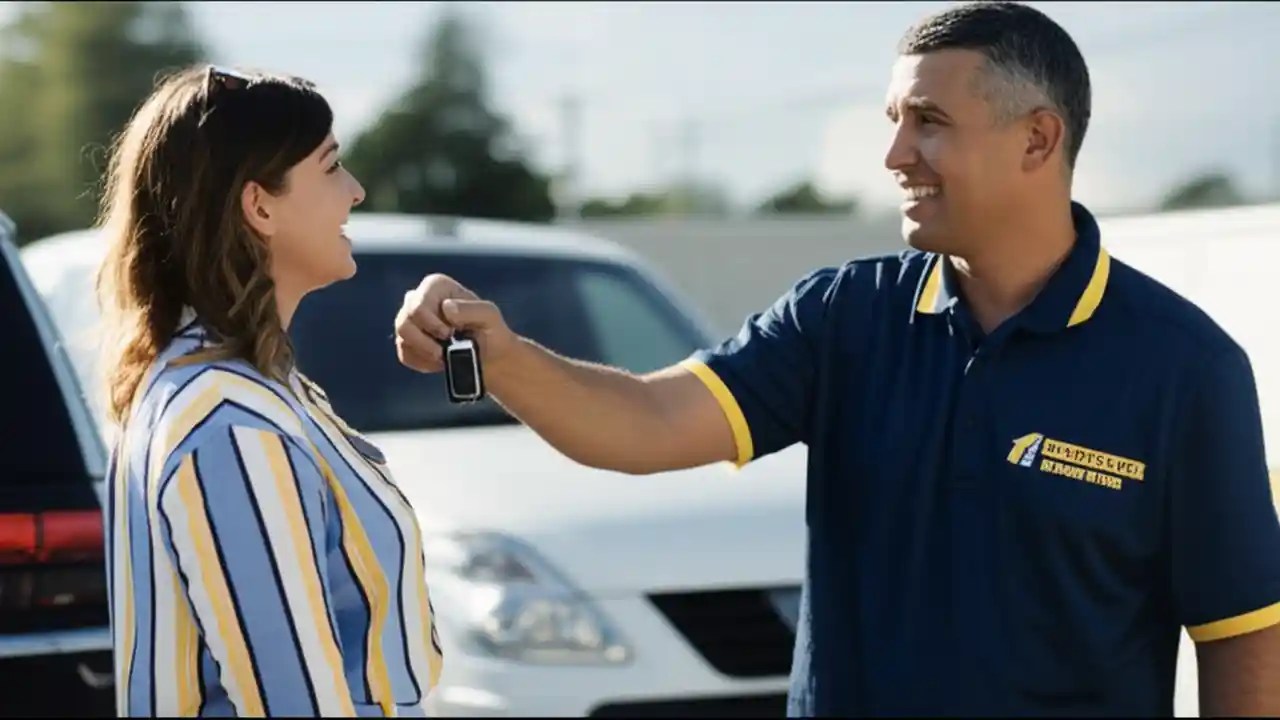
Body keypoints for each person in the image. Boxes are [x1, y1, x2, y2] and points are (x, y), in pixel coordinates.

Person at [394, 2, 1280, 717]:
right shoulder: (842, 316)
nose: (896, 156)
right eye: (895, 121)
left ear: (1038, 140)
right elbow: (648, 422)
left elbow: (1239, 634)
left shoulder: (1186, 368)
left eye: (928, 123)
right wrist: (501, 357)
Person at [99, 65, 442, 717]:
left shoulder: (232, 386)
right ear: (259, 206)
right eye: (332, 167)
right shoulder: (233, 424)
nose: (356, 191)